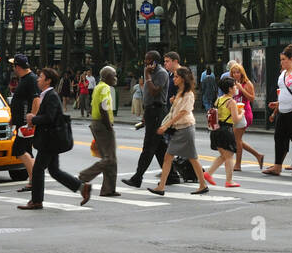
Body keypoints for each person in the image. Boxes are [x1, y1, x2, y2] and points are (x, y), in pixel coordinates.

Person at [20, 68, 85, 208]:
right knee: (54, 171)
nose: (38, 79)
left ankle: (36, 201)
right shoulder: (46, 95)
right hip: (49, 139)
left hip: (49, 140)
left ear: (48, 81)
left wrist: (34, 119)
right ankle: (82, 188)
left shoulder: (52, 96)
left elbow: (49, 117)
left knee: (38, 169)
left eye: (41, 77)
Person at [147, 68, 210, 195]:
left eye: (176, 76)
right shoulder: (180, 92)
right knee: (170, 157)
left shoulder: (188, 94)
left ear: (183, 78)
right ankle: (162, 187)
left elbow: (183, 113)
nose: (174, 79)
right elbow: (177, 110)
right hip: (180, 129)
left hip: (186, 128)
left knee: (192, 157)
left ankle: (202, 184)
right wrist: (173, 102)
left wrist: (166, 126)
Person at [123, 51, 170, 189]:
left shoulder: (161, 73)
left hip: (157, 110)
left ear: (155, 61)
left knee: (149, 146)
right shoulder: (149, 71)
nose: (145, 62)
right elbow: (147, 94)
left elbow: (155, 91)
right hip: (150, 110)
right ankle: (172, 175)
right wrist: (145, 113)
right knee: (160, 147)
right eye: (145, 59)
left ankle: (137, 177)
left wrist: (148, 75)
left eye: (148, 60)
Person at [76, 65, 121, 201]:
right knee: (109, 158)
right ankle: (84, 176)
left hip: (96, 123)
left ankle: (108, 189)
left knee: (111, 158)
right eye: (114, 76)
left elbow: (93, 105)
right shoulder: (106, 88)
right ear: (107, 77)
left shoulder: (97, 87)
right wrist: (109, 126)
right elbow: (103, 107)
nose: (116, 78)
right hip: (102, 124)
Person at [263, 46, 292, 175]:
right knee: (279, 138)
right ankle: (277, 166)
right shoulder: (283, 73)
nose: (282, 62)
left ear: (291, 59)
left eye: (284, 59)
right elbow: (284, 92)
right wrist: (278, 104)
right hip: (282, 110)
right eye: (281, 60)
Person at [203, 76, 242, 188]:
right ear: (230, 89)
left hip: (216, 130)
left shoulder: (219, 99)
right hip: (226, 130)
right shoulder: (231, 102)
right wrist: (242, 113)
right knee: (229, 156)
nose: (236, 88)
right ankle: (229, 181)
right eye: (234, 86)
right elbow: (235, 120)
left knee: (223, 156)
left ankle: (208, 173)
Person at [8, 55, 40, 193]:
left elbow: (36, 100)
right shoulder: (25, 79)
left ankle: (35, 180)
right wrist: (13, 118)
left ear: (18, 66)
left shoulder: (31, 79)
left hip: (25, 123)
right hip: (21, 122)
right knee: (27, 151)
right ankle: (33, 180)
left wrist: (31, 119)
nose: (13, 68)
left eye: (13, 66)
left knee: (19, 150)